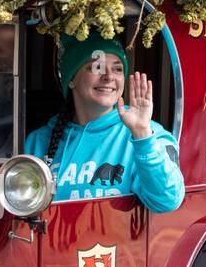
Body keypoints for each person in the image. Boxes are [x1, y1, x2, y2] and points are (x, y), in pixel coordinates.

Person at [23, 35, 184, 213]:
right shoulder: (37, 141)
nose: (108, 77)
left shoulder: (149, 135)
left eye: (117, 69)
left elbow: (168, 201)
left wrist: (142, 135)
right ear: (71, 79)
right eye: (96, 67)